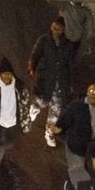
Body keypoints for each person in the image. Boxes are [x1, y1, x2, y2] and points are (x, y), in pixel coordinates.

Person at [29, 16, 75, 147]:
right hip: (45, 80)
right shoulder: (44, 40)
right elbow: (35, 54)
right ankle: (32, 113)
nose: (56, 31)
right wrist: (32, 66)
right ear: (51, 26)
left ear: (63, 31)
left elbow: (71, 64)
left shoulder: (68, 44)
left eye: (59, 30)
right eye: (54, 28)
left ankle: (49, 132)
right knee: (39, 102)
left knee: (55, 111)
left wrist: (70, 83)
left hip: (60, 83)